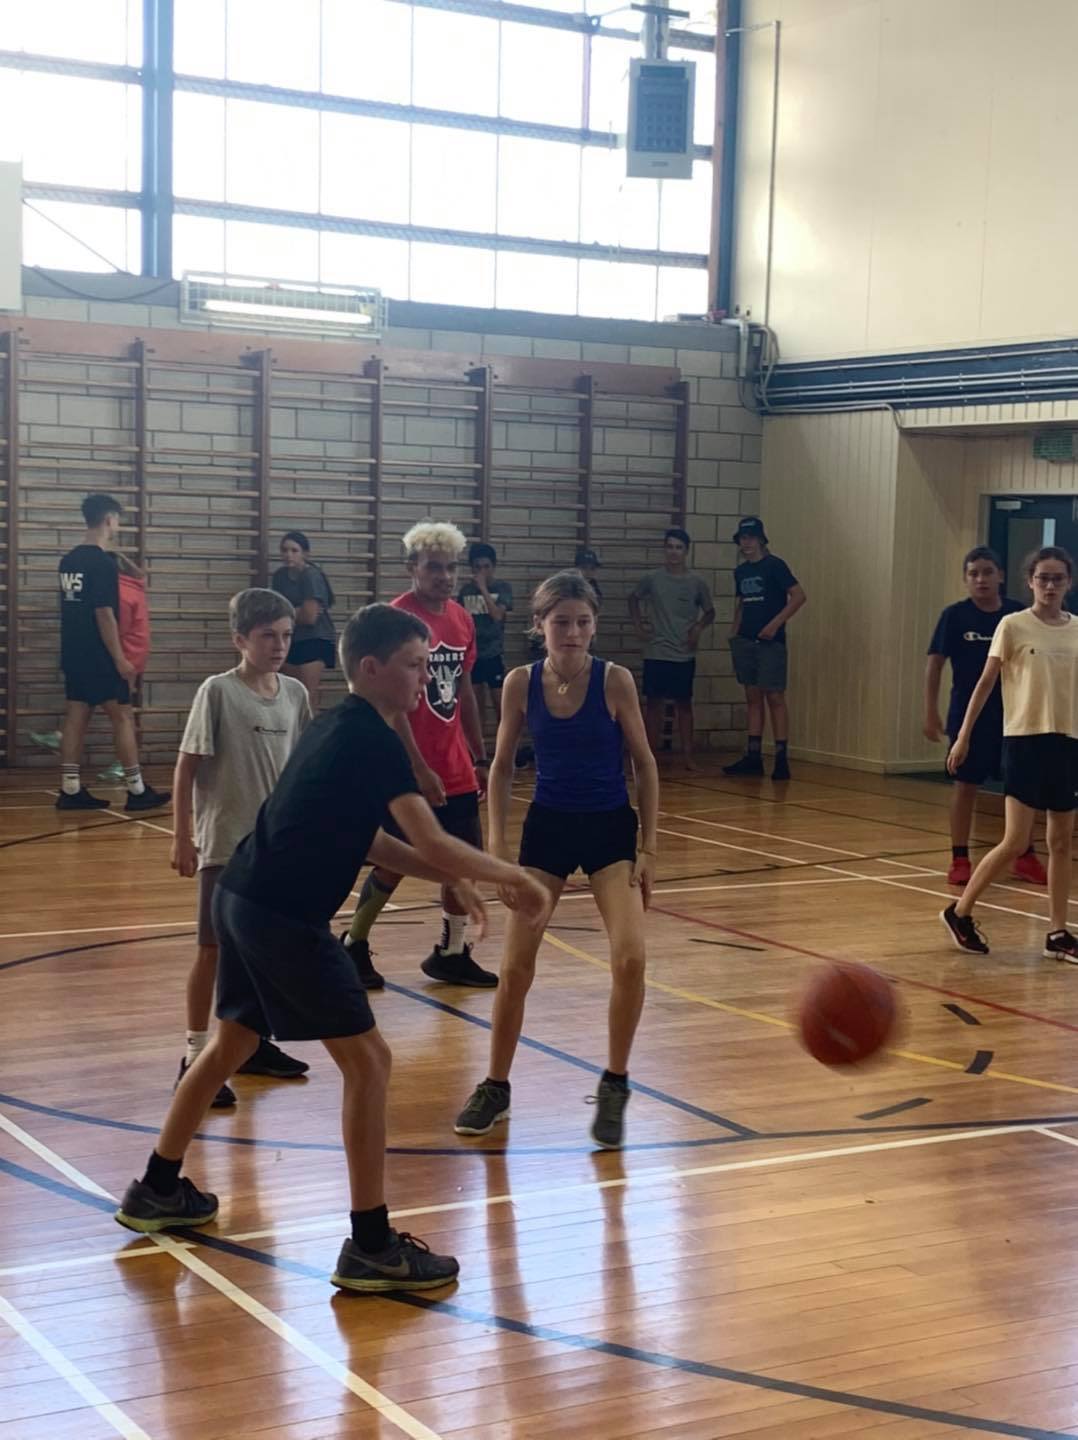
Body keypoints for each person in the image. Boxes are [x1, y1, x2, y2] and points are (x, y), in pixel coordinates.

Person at [114, 603, 547, 1296]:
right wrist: (508, 875)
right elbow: (429, 840)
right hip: (281, 917)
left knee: (227, 1046)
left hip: (244, 899)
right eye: (412, 665)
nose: (421, 679)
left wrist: (456, 880)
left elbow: (372, 841)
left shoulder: (337, 727)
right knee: (370, 1061)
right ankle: (371, 1244)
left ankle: (157, 1188)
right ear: (371, 668)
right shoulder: (368, 739)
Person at [455, 570, 658, 1150]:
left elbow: (644, 764)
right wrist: (495, 850)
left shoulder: (615, 681)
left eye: (584, 622)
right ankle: (496, 1086)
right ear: (539, 624)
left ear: (595, 626)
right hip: (548, 830)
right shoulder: (521, 682)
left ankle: (615, 1082)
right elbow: (497, 768)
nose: (573, 633)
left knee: (630, 958)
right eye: (562, 622)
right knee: (516, 967)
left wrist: (648, 849)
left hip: (609, 829)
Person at [171, 588, 313, 1108]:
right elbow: (187, 766)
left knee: (261, 951)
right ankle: (193, 1054)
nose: (278, 645)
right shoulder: (218, 691)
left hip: (274, 849)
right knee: (212, 950)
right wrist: (184, 835)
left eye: (286, 636)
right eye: (267, 636)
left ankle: (249, 1044)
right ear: (240, 640)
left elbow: (300, 770)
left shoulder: (295, 694)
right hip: (226, 845)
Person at [342, 521, 495, 989]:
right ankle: (353, 943)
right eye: (434, 568)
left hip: (454, 762)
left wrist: (479, 752)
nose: (444, 577)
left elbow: (464, 688)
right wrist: (416, 765)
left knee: (464, 857)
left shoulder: (462, 618)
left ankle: (451, 951)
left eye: (451, 569)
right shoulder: (395, 620)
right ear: (412, 568)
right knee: (396, 859)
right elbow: (389, 701)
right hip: (406, 760)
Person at [941, 546, 1078, 960]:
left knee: (1060, 842)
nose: (1050, 585)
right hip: (1024, 740)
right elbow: (984, 683)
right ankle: (960, 912)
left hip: (1067, 742)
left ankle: (1057, 932)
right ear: (1030, 582)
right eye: (1043, 578)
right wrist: (963, 736)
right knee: (1016, 840)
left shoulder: (1076, 629)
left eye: (1058, 578)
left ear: (1068, 582)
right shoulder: (1013, 625)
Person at [924, 546, 1046, 887]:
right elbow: (935, 663)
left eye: (987, 572)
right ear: (966, 579)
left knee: (1021, 787)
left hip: (1014, 715)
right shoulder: (955, 616)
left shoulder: (1017, 615)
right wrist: (930, 711)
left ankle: (1025, 855)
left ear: (1001, 576)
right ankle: (960, 857)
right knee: (966, 785)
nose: (981, 579)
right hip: (968, 714)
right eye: (974, 573)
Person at [55, 494, 169, 812]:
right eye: (117, 519)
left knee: (76, 716)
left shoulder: (69, 561)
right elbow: (104, 613)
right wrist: (120, 657)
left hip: (73, 651)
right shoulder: (102, 564)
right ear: (109, 519)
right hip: (100, 654)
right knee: (122, 716)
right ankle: (136, 789)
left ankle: (70, 788)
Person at [722, 516, 806, 782]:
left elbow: (799, 595)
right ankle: (753, 755)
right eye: (741, 540)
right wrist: (734, 633)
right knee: (753, 697)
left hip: (771, 642)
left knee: (775, 697)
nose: (745, 544)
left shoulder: (774, 566)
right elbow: (742, 604)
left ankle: (781, 757)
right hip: (746, 640)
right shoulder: (741, 571)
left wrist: (776, 623)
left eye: (749, 538)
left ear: (760, 539)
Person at [629, 527, 715, 771]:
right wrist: (638, 625)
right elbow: (633, 599)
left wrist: (698, 628)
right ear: (664, 550)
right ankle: (650, 756)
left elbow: (710, 612)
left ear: (686, 551)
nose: (674, 552)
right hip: (657, 650)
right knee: (654, 704)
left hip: (683, 652)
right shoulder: (652, 579)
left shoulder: (696, 582)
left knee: (684, 704)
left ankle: (689, 756)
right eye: (670, 547)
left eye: (678, 547)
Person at [271, 531, 336, 712]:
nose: (288, 555)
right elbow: (275, 612)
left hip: (315, 638)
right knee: (288, 692)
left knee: (306, 695)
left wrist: (289, 612)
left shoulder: (311, 575)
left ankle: (308, 737)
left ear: (305, 554)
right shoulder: (279, 577)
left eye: (294, 550)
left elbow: (309, 617)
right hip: (291, 638)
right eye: (285, 550)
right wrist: (296, 611)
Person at [458, 542, 513, 732]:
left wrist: (483, 589)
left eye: (486, 567)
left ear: (494, 567)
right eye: (477, 567)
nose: (482, 571)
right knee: (475, 707)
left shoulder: (503, 588)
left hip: (494, 654)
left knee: (501, 706)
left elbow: (498, 615)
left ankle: (505, 751)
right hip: (472, 656)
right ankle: (478, 754)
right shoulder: (465, 592)